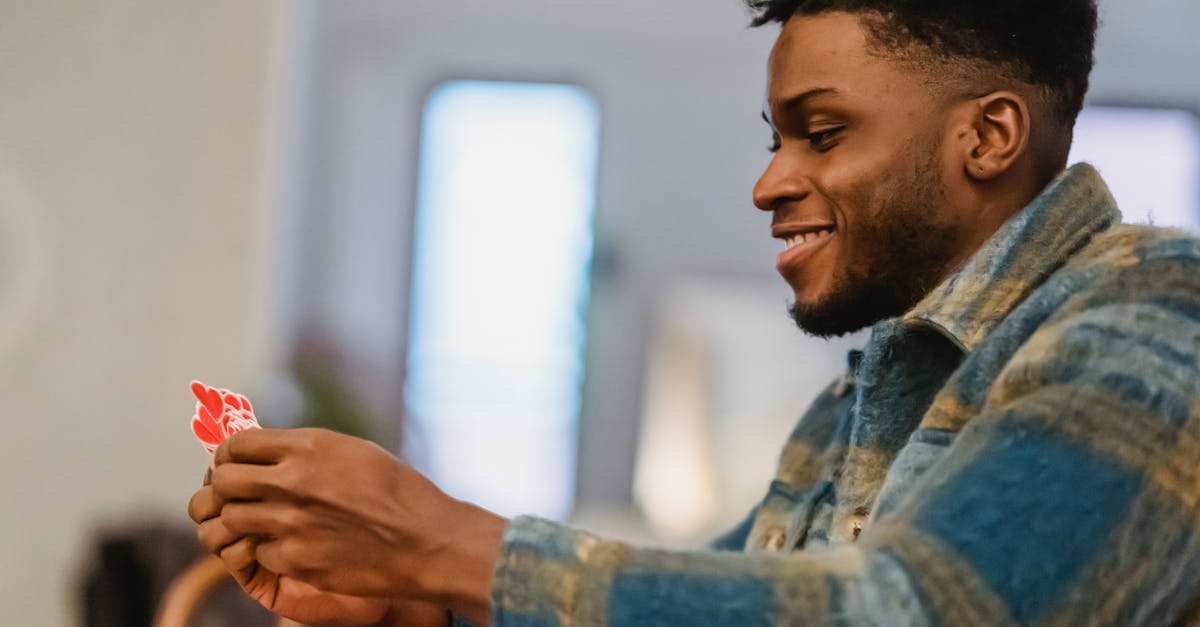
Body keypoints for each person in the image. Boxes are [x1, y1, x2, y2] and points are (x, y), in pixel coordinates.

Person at [189, 0, 1200, 624]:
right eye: (777, 137)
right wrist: (411, 604)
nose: (770, 182)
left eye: (821, 132)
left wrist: (444, 541)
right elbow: (704, 595)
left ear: (989, 136)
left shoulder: (1156, 316)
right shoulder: (854, 410)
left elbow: (915, 613)